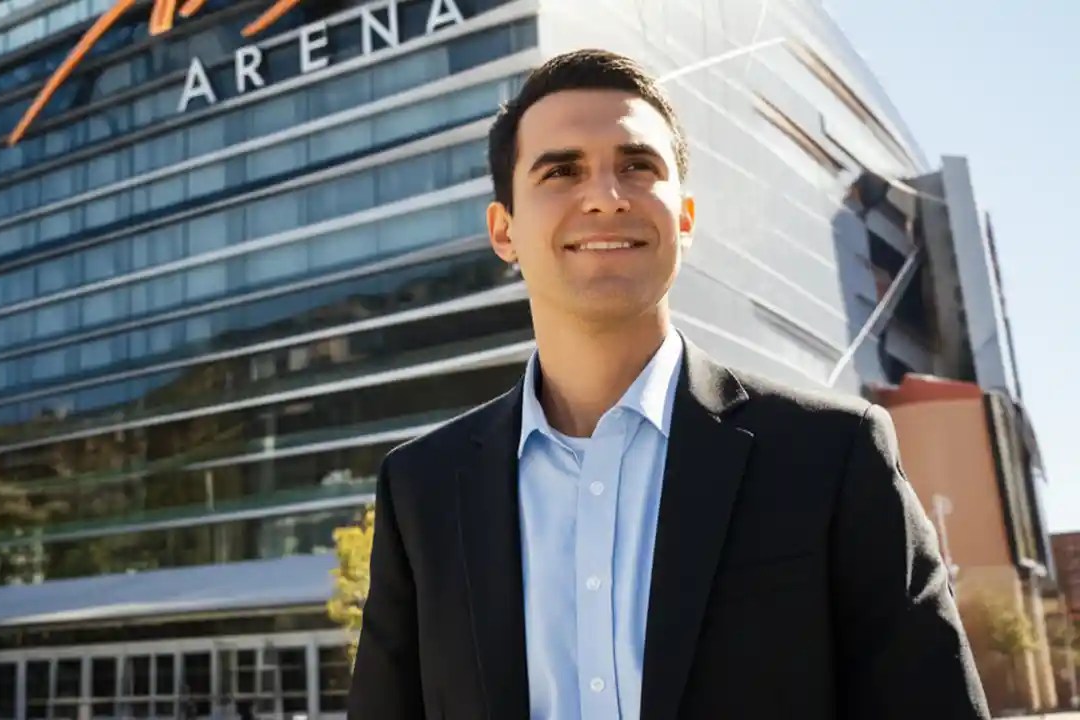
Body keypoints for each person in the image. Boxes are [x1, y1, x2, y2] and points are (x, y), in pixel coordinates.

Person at [346, 48, 990, 719]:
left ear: (683, 218)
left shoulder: (833, 454)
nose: (604, 196)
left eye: (637, 166)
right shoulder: (422, 487)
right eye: (561, 170)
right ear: (504, 231)